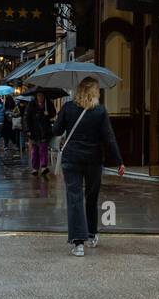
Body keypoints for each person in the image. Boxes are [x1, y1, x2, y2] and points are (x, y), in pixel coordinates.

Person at [53, 77, 125, 256]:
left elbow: (56, 131)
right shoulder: (100, 111)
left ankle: (78, 243)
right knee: (91, 198)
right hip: (93, 160)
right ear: (94, 92)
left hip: (71, 159)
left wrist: (60, 118)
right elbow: (109, 138)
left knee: (74, 199)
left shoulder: (68, 107)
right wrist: (119, 161)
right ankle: (92, 234)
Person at [25, 92, 56, 175]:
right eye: (39, 96)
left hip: (44, 130)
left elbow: (53, 113)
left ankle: (43, 167)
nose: (40, 97)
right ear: (36, 96)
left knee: (43, 148)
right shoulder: (32, 104)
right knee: (35, 149)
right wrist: (28, 130)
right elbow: (27, 118)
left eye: (42, 96)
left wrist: (48, 114)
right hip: (34, 130)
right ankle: (35, 168)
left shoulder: (48, 103)